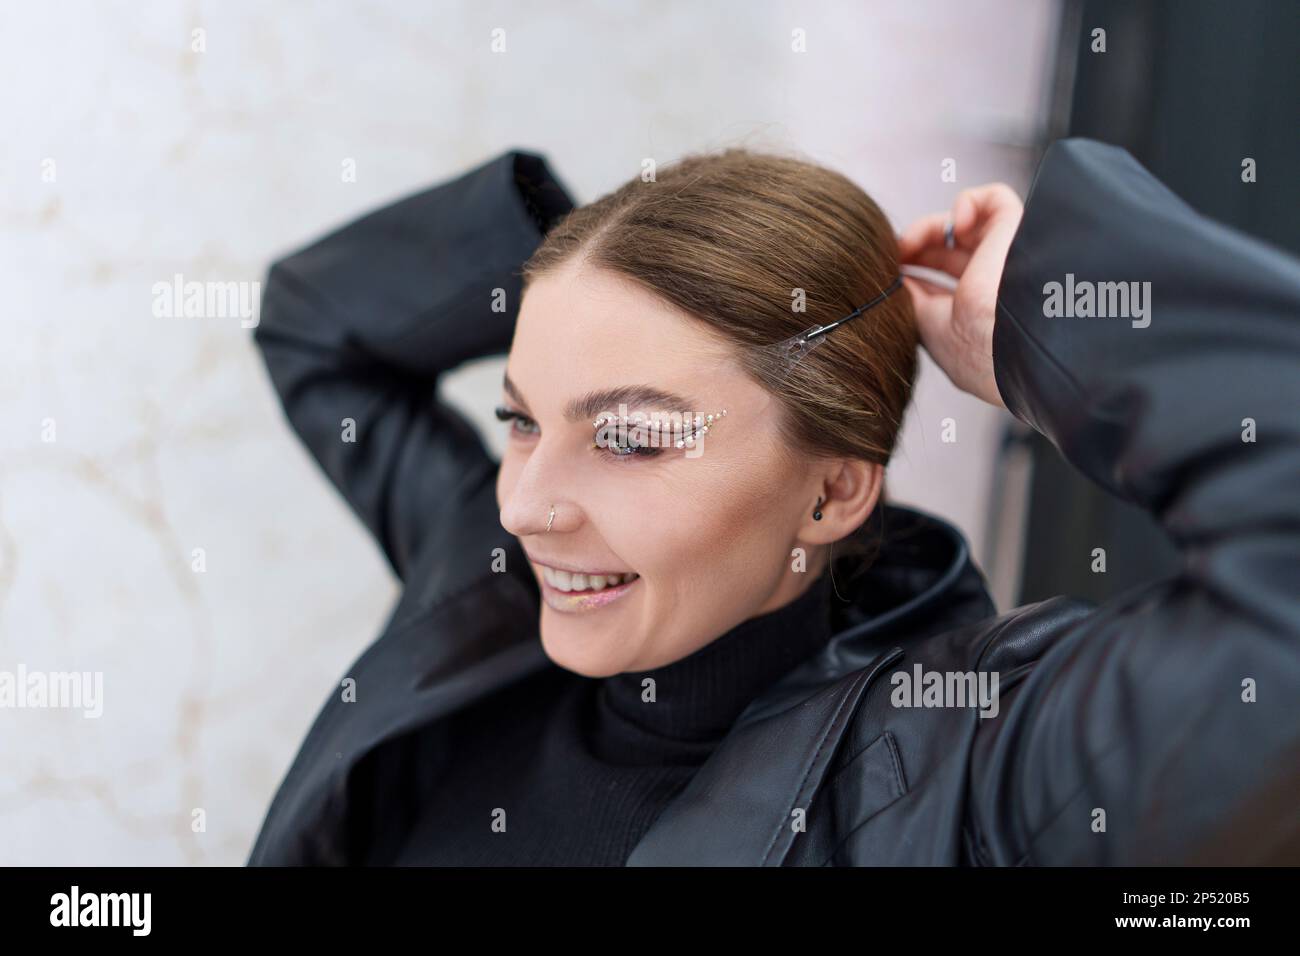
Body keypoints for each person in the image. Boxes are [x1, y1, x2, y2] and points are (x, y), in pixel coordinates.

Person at [246, 139, 1300, 866]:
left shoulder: (962, 775)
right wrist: (614, 265)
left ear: (833, 491)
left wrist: (1045, 323)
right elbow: (315, 323)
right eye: (521, 418)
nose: (527, 505)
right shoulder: (480, 573)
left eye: (628, 435)